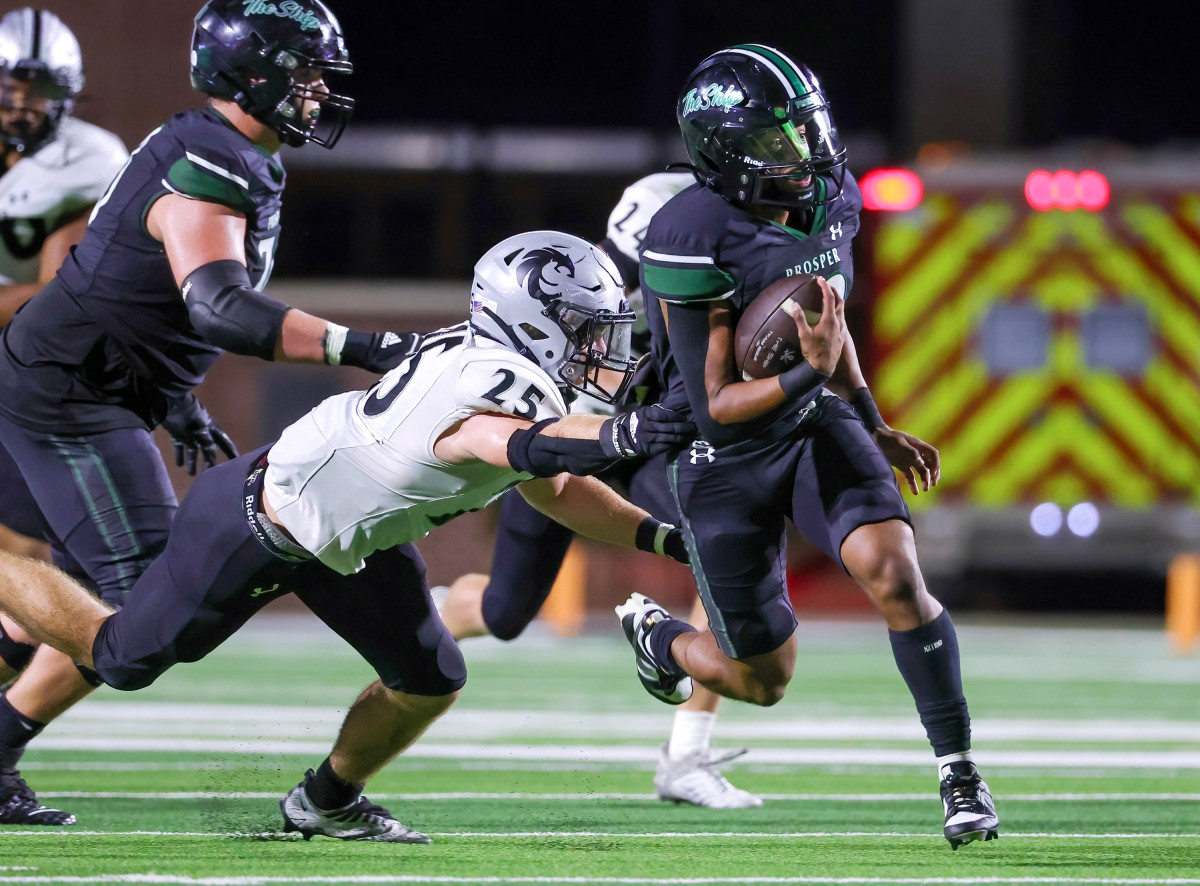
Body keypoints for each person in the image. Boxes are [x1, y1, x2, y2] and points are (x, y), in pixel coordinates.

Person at [0, 230, 695, 843]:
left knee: (429, 678)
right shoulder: (494, 384)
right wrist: (618, 433)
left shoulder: (512, 372)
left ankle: (326, 802)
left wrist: (663, 539)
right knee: (122, 656)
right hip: (261, 520)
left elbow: (559, 490)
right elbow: (499, 441)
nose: (603, 348)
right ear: (531, 321)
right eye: (586, 329)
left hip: (347, 534)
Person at [0, 0, 425, 827]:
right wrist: (369, 345)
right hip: (71, 391)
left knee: (120, 603)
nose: (317, 93)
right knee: (141, 612)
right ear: (252, 72)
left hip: (100, 384)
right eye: (304, 75)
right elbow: (220, 307)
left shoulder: (225, 149)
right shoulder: (208, 157)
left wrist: (178, 400)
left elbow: (132, 285)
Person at [613, 44, 1000, 849]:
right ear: (725, 151)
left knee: (895, 574)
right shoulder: (689, 233)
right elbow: (716, 409)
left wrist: (869, 416)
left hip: (809, 420)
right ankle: (664, 639)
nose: (809, 151)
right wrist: (810, 377)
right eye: (781, 139)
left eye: (808, 127)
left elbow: (824, 321)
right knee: (762, 681)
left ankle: (960, 773)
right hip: (719, 457)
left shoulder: (831, 199)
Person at [434, 171, 763, 809]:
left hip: (649, 444)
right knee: (504, 614)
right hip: (572, 445)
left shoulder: (709, 292)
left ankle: (685, 755)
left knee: (728, 543)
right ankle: (427, 614)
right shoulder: (577, 292)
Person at [0, 7, 130, 685]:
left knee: (32, 565)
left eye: (39, 88)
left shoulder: (94, 158)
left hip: (27, 366)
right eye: (9, 87)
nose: (22, 104)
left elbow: (66, 286)